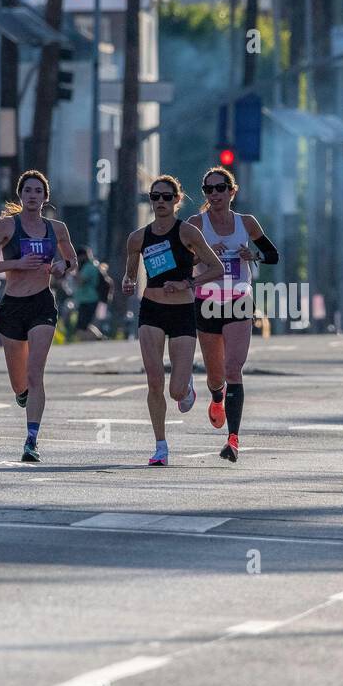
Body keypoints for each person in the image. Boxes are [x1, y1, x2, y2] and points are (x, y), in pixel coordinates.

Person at [122, 175, 225, 467]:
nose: (161, 202)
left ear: (177, 200)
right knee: (154, 380)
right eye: (155, 197)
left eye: (167, 197)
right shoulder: (137, 238)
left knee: (175, 391)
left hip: (181, 312)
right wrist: (128, 282)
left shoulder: (188, 232)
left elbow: (216, 268)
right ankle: (161, 446)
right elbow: (130, 274)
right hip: (151, 311)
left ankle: (186, 385)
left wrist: (187, 283)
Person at [0, 170, 77, 462]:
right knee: (20, 383)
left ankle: (31, 440)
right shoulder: (6, 226)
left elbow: (71, 259)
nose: (32, 196)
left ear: (46, 197)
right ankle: (22, 394)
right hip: (12, 306)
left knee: (35, 374)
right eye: (28, 191)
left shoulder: (57, 228)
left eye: (38, 191)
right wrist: (16, 263)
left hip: (41, 303)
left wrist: (63, 266)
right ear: (20, 195)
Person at [186, 167, 280, 463]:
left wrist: (253, 256)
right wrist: (203, 254)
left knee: (233, 369)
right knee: (216, 377)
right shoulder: (196, 224)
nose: (214, 194)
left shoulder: (246, 223)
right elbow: (180, 262)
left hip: (239, 301)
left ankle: (233, 439)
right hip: (207, 303)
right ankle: (217, 397)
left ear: (232, 191)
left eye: (220, 188)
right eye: (209, 189)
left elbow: (272, 255)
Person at [71, 246, 107, 340]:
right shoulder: (93, 265)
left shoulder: (88, 267)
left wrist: (73, 272)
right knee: (85, 325)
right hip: (88, 299)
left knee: (80, 328)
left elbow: (81, 281)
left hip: (88, 299)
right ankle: (100, 338)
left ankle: (97, 340)